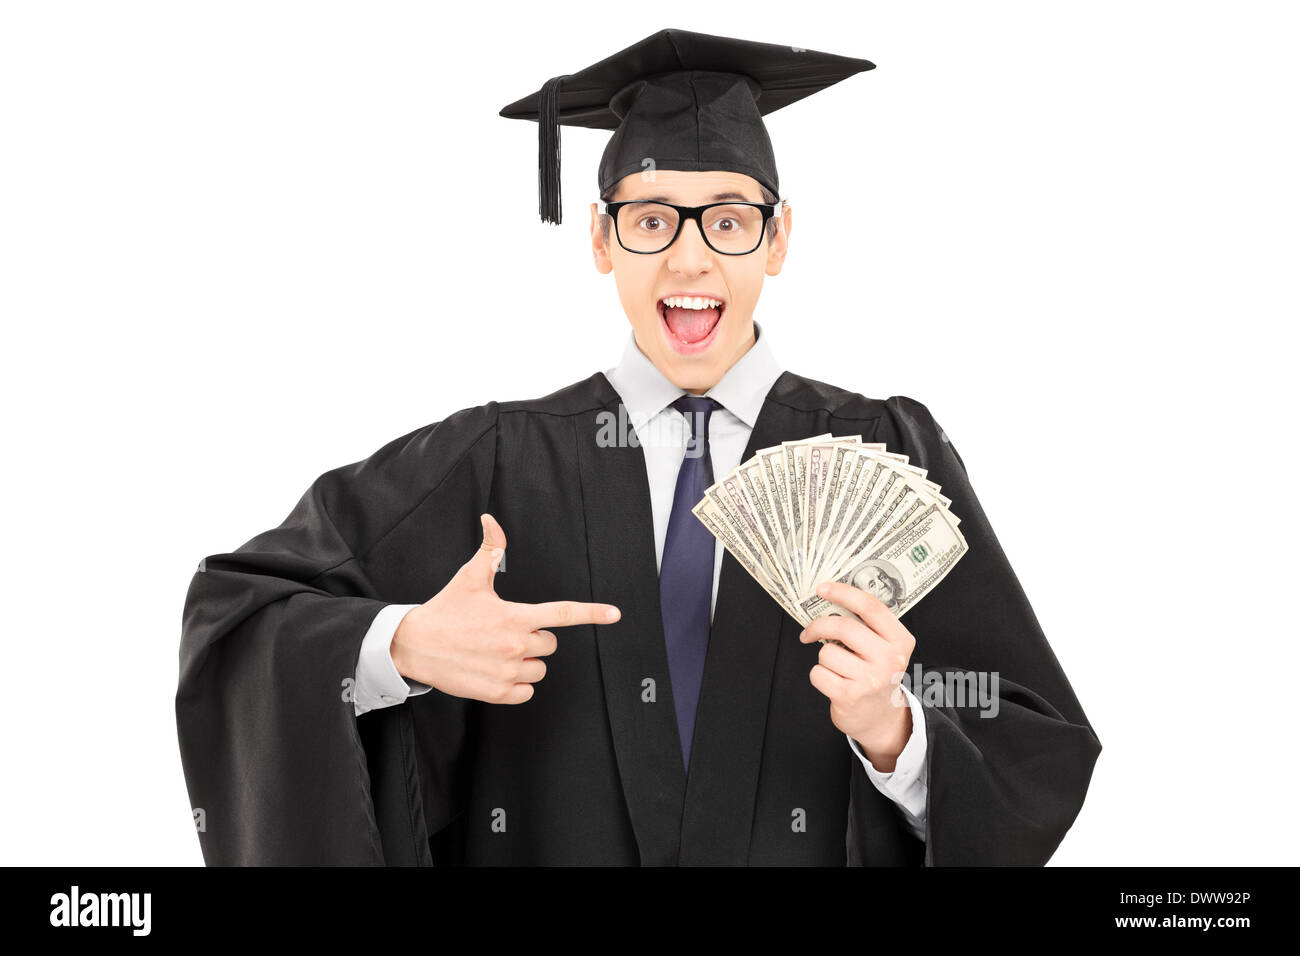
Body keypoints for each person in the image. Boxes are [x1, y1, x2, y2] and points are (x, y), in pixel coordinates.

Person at [176, 28, 1101, 866]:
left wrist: (898, 733)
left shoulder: (885, 450)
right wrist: (401, 644)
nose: (691, 260)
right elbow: (239, 616)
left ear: (778, 240)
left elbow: (1037, 753)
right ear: (599, 238)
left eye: (729, 220)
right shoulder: (494, 461)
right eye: (652, 219)